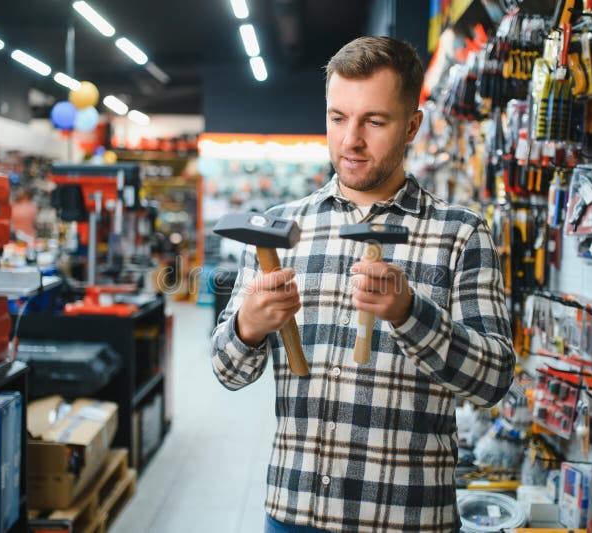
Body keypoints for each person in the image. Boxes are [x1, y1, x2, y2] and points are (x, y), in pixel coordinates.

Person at [211, 36, 515, 532]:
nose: (351, 139)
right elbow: (228, 373)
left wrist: (409, 314)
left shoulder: (459, 233)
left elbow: (493, 381)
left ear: (412, 125)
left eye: (374, 121)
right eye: (337, 118)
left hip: (406, 516)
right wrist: (247, 325)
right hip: (295, 511)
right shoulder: (280, 227)